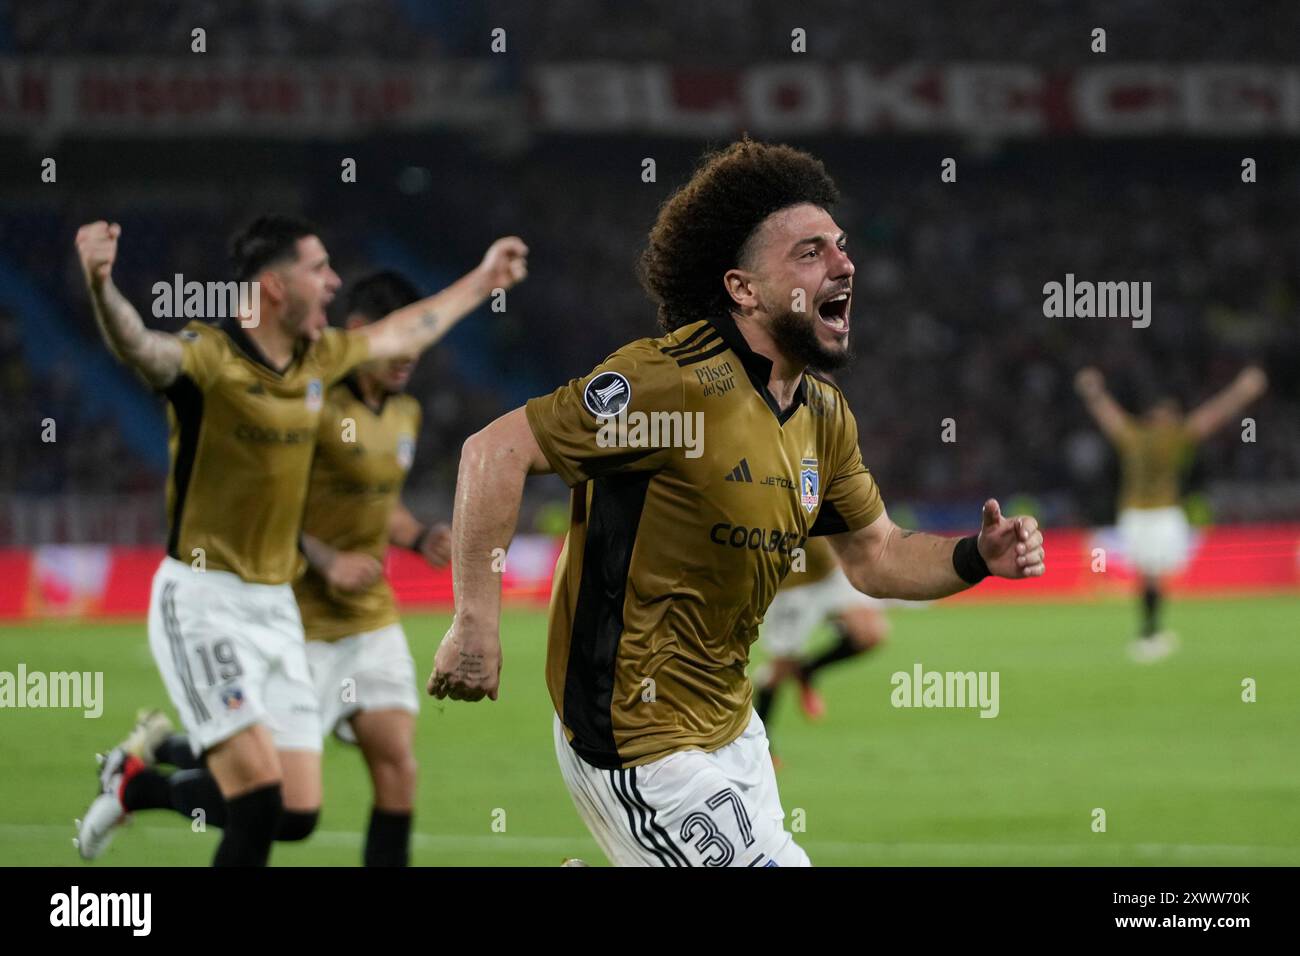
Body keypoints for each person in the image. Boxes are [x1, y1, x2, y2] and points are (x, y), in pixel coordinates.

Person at [427, 139, 1044, 866]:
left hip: (730, 728)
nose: (844, 264)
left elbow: (876, 555)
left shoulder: (823, 414)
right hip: (634, 738)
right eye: (810, 253)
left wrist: (978, 556)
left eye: (841, 249)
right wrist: (475, 623)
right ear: (744, 288)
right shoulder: (670, 384)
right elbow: (494, 452)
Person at [73, 215, 526, 864]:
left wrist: (483, 279)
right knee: (257, 798)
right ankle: (145, 780)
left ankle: (143, 776)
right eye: (318, 268)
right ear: (275, 286)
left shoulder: (323, 360)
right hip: (205, 599)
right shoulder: (210, 359)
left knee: (294, 812)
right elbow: (139, 345)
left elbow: (408, 328)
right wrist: (98, 284)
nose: (332, 279)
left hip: (276, 609)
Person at [1074, 365, 1267, 661]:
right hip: (1154, 516)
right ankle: (1149, 635)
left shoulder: (1138, 436)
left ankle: (1151, 632)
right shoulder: (1169, 437)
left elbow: (1108, 415)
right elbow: (1213, 415)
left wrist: (1093, 391)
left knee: (1153, 577)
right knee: (1152, 577)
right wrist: (1243, 390)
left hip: (1145, 515)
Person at [754, 537, 889, 743]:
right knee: (779, 670)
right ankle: (761, 740)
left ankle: (808, 669)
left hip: (828, 574)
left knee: (870, 633)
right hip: (791, 585)